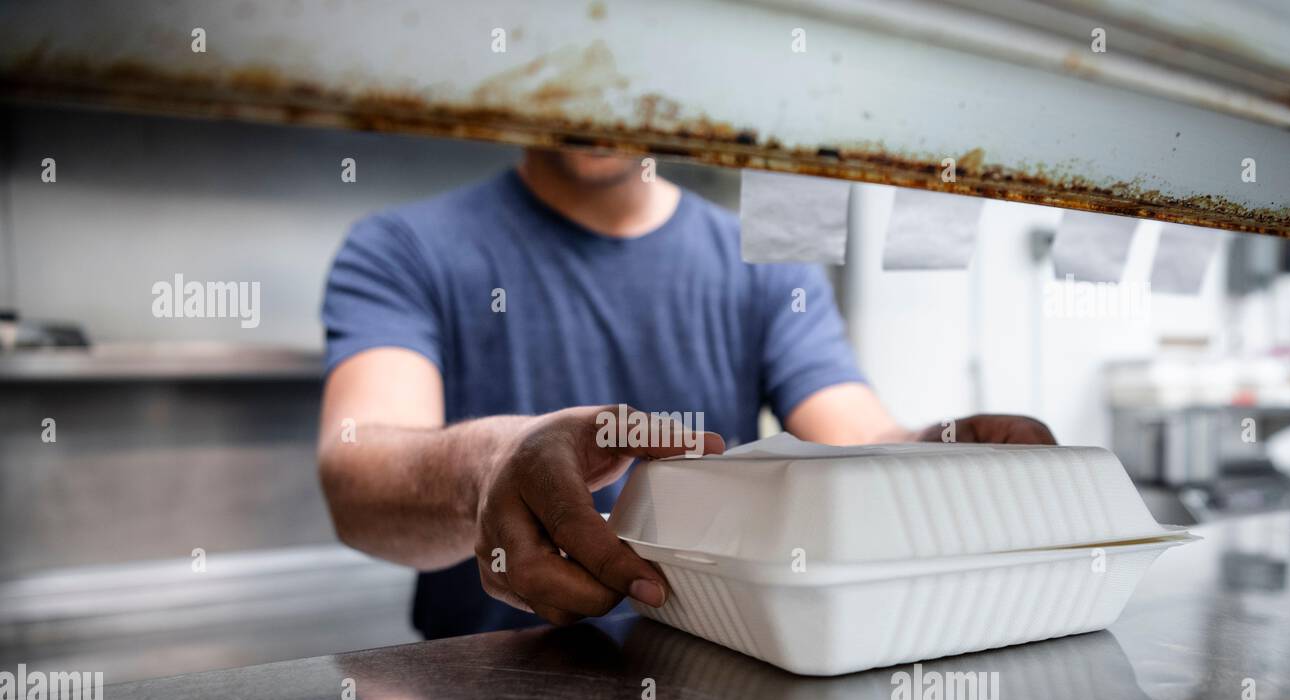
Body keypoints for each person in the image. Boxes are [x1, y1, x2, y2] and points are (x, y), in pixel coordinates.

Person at [317, 147, 1054, 639]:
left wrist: (939, 452)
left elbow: (856, 439)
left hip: (703, 695)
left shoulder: (767, 267)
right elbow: (359, 474)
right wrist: (493, 464)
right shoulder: (402, 249)